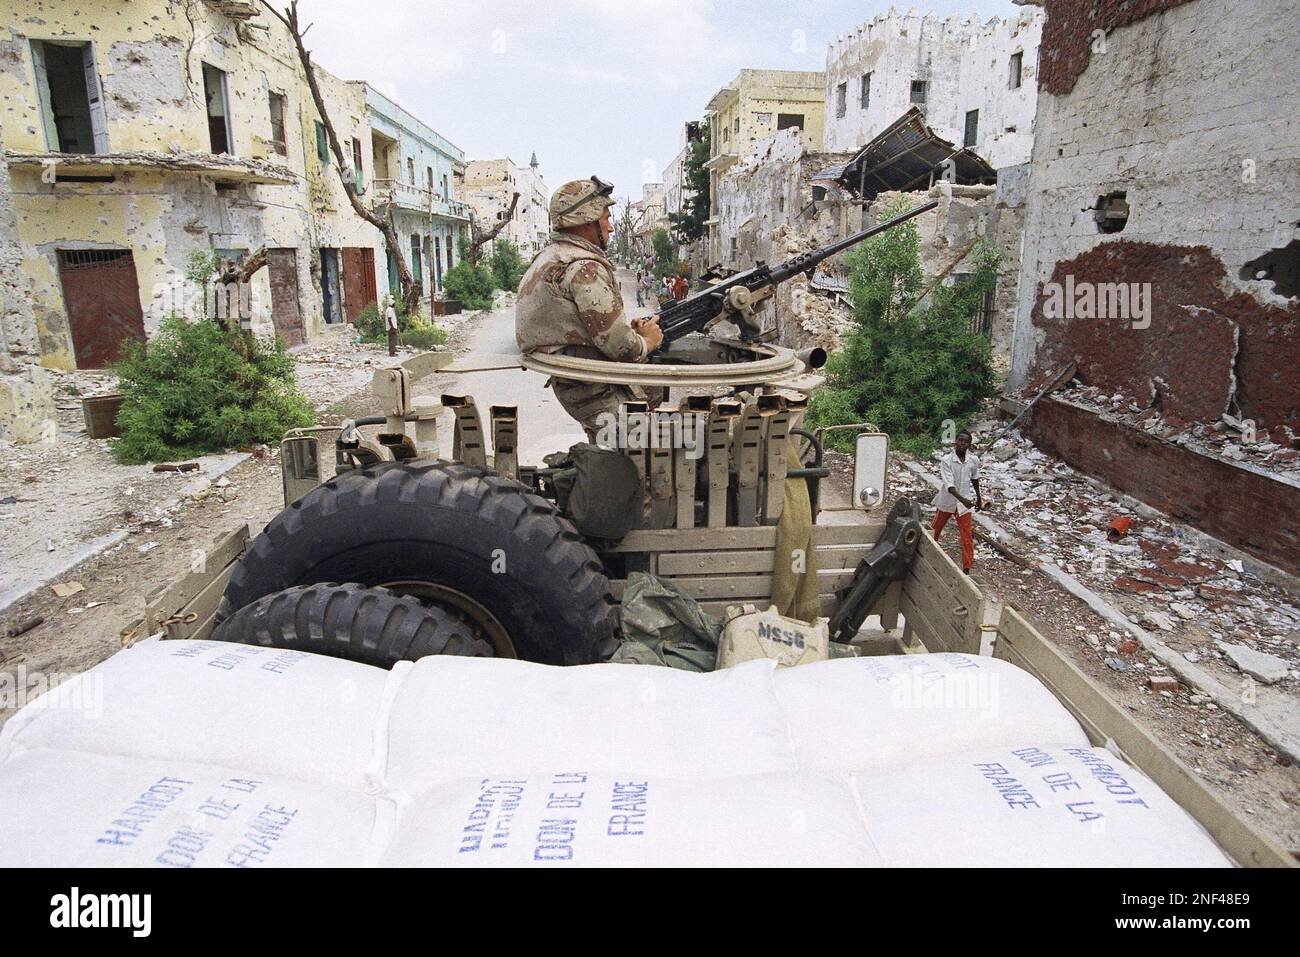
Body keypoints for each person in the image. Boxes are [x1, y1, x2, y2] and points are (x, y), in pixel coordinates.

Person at [516, 176, 663, 439]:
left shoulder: (551, 257)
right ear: (587, 221)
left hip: (578, 382)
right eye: (606, 217)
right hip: (593, 387)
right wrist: (646, 342)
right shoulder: (584, 266)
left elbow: (578, 325)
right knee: (659, 451)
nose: (611, 227)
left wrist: (630, 330)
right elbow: (621, 346)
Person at [932, 429, 983, 574]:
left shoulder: (973, 460)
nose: (962, 444)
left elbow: (975, 478)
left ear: (969, 444)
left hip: (963, 505)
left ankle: (967, 568)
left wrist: (979, 498)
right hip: (948, 501)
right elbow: (949, 486)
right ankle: (926, 553)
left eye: (966, 442)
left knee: (967, 535)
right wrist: (964, 500)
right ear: (956, 442)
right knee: (935, 530)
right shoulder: (947, 460)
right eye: (960, 440)